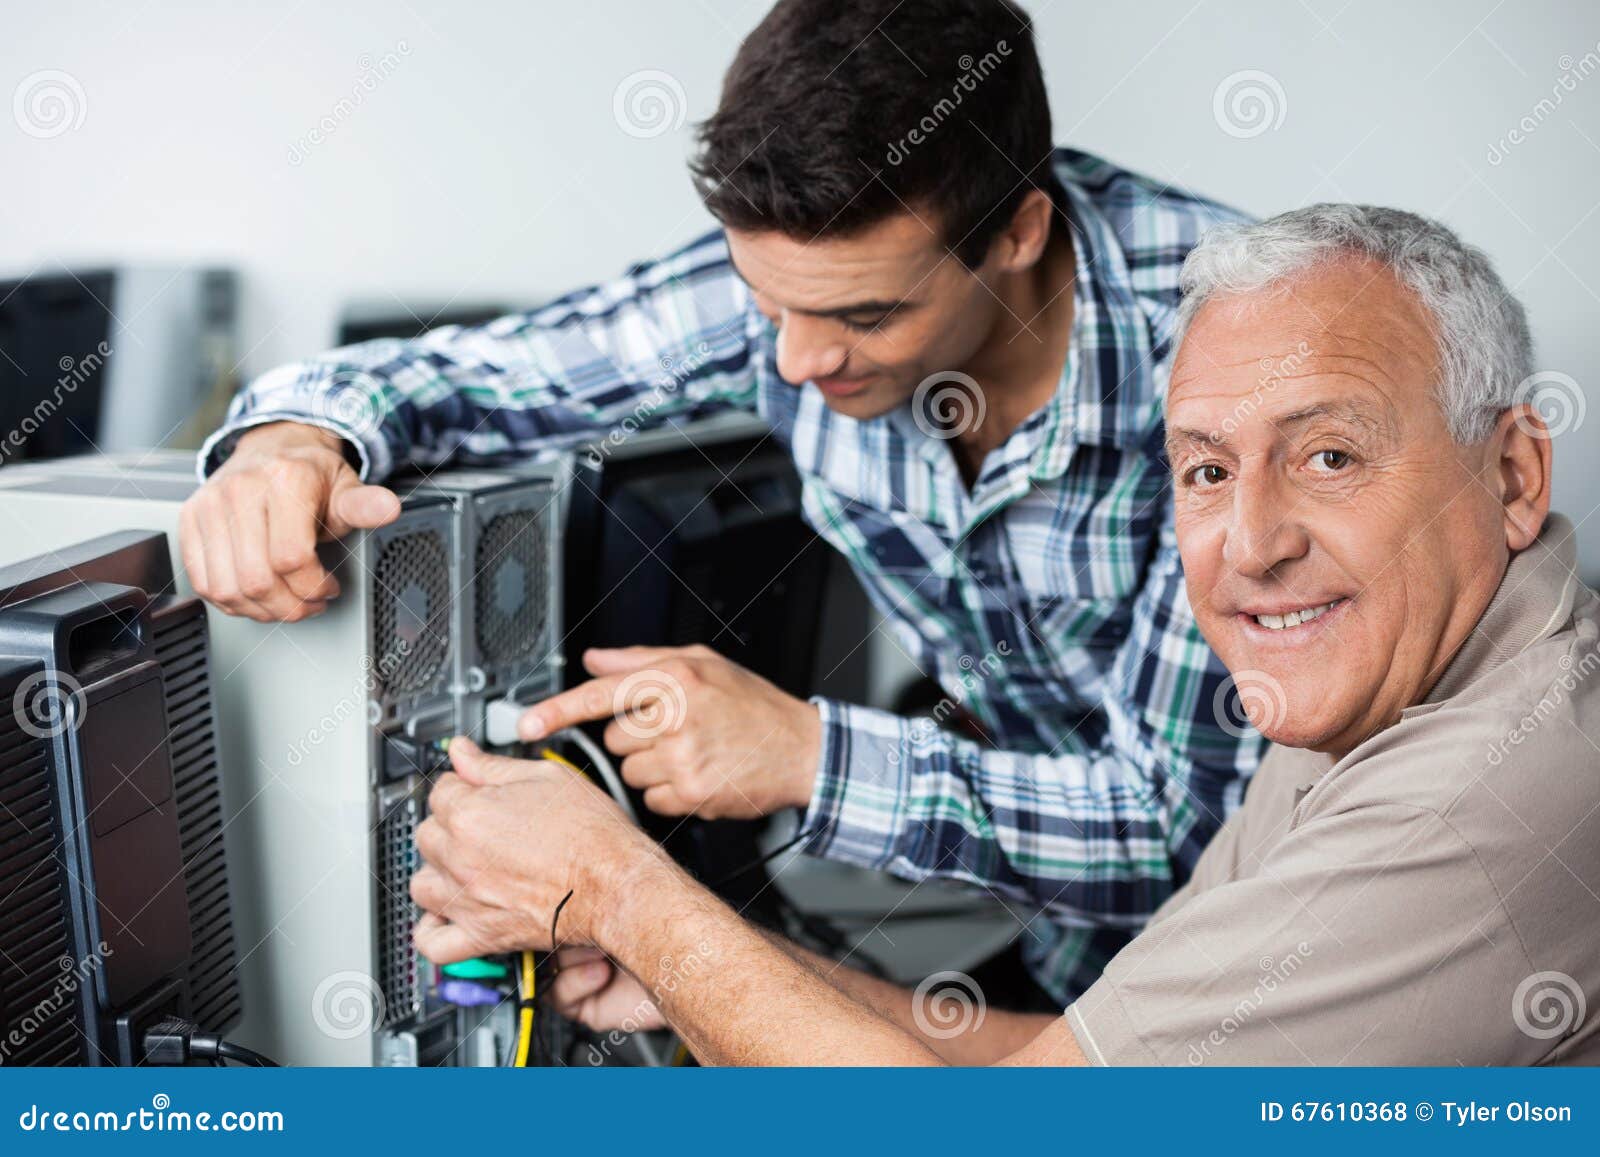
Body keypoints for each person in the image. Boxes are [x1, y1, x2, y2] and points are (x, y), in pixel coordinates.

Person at [183, 0, 1263, 1003]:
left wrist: (804, 754)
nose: (794, 360)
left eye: (866, 316)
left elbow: (1190, 841)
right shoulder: (806, 277)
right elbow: (477, 374)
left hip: (1254, 983)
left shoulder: (1240, 357)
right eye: (765, 302)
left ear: (1019, 233)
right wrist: (291, 439)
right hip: (1063, 960)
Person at [409, 204, 1600, 1065]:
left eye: (1329, 456)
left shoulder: (1479, 801)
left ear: (1510, 473)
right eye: (1202, 469)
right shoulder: (1381, 674)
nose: (1248, 543)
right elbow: (1069, 1060)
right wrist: (691, 976)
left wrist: (617, 891)